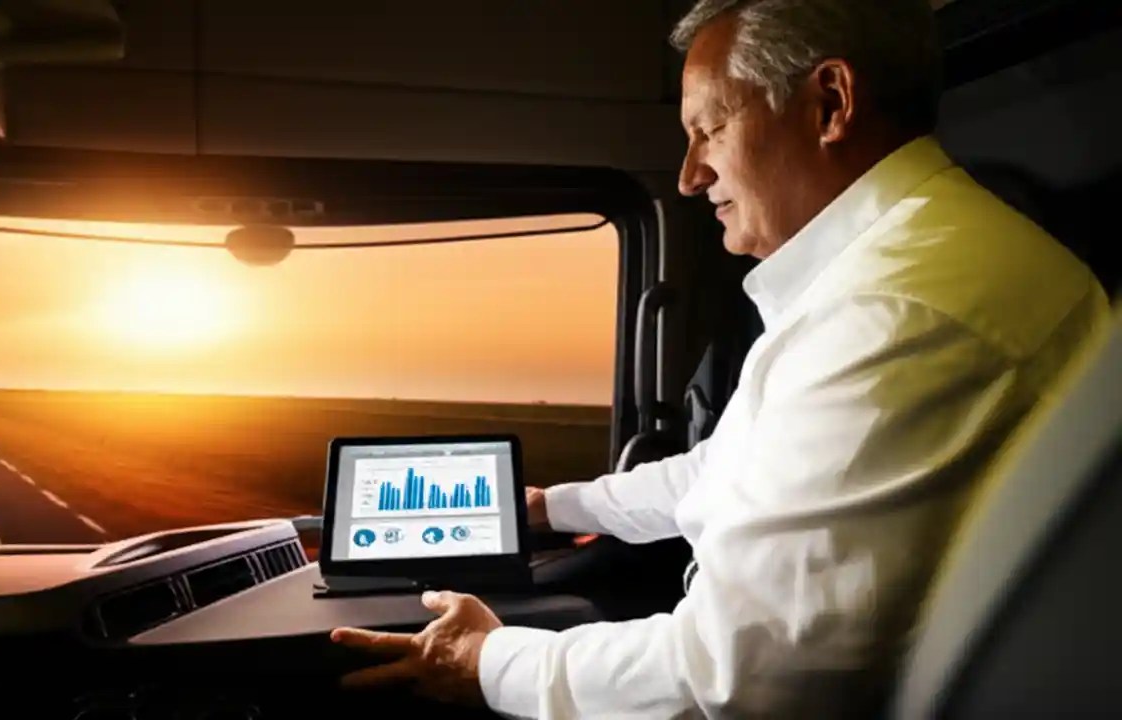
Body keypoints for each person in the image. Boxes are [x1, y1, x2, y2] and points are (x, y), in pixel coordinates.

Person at [330, 0, 1113, 717]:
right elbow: (730, 467)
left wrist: (488, 660)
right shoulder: (905, 264)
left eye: (710, 129)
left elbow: (738, 678)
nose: (688, 173)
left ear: (830, 104)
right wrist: (554, 508)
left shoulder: (890, 310)